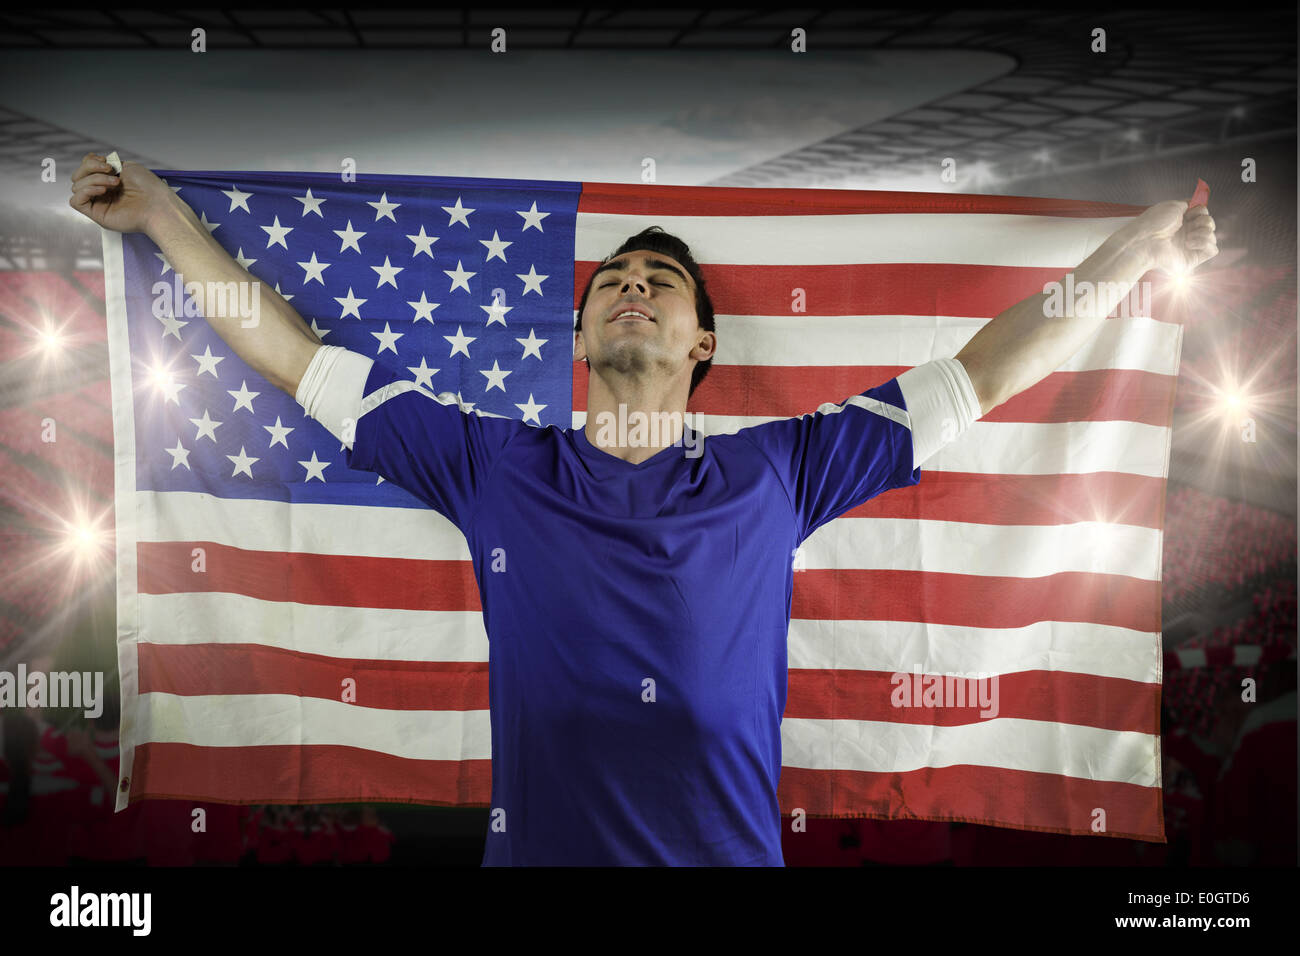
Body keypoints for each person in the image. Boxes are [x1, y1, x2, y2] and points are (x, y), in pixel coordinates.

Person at [69, 153, 1218, 866]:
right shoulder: (490, 466)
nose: (631, 290)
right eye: (611, 283)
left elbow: (986, 370)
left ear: (699, 343)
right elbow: (292, 358)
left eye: (659, 284)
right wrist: (163, 214)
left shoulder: (781, 473)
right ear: (576, 340)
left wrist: (1135, 250)